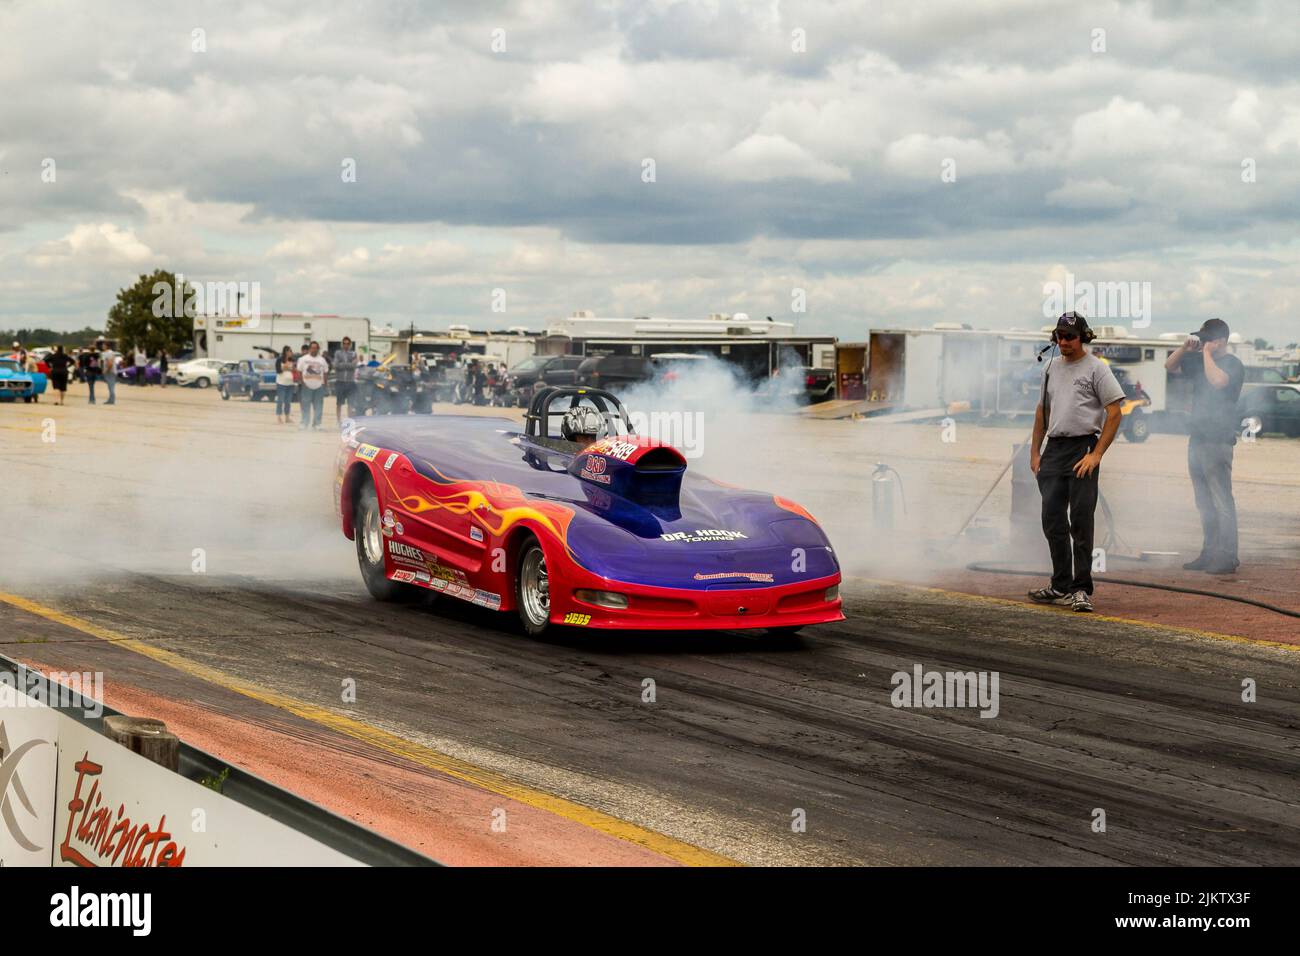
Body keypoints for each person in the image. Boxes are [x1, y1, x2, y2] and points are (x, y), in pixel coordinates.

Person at [1027, 312, 1125, 613]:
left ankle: (1081, 588)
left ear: (1083, 336)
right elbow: (1042, 412)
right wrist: (1035, 452)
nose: (1064, 341)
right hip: (1054, 449)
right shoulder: (1050, 369)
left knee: (1081, 520)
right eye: (1059, 336)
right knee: (1052, 520)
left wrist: (1096, 455)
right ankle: (1060, 584)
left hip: (1083, 447)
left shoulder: (1097, 369)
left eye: (1070, 336)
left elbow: (1115, 412)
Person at [1165, 318, 1245, 574]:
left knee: (1221, 501)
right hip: (1197, 439)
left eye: (1207, 338)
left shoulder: (1233, 364)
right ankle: (1208, 552)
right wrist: (1183, 349)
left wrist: (1207, 354)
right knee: (1204, 502)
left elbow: (1218, 382)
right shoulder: (1200, 360)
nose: (1203, 342)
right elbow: (1169, 366)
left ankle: (1227, 557)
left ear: (1221, 340)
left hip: (1217, 440)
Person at [296, 340, 329, 430]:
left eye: (315, 348)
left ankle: (317, 424)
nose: (314, 349)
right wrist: (302, 382)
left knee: (318, 406)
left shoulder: (322, 360)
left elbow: (325, 372)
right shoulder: (303, 359)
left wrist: (324, 384)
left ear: (318, 349)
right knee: (305, 406)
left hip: (319, 386)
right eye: (312, 348)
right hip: (306, 386)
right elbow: (299, 371)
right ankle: (304, 423)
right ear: (309, 349)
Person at [331, 336, 359, 423]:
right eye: (344, 343)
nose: (346, 345)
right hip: (340, 381)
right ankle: (339, 421)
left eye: (347, 343)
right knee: (339, 403)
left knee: (351, 403)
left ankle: (349, 421)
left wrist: (342, 364)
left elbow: (354, 366)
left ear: (350, 344)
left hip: (350, 382)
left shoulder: (353, 353)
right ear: (342, 344)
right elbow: (335, 365)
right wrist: (349, 364)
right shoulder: (338, 353)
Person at [274, 345, 296, 424]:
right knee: (280, 400)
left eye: (291, 351)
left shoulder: (292, 360)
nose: (291, 352)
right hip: (281, 383)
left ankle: (287, 417)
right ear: (286, 352)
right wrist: (286, 367)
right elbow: (278, 370)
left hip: (290, 383)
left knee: (288, 401)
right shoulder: (279, 360)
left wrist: (289, 368)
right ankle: (279, 417)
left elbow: (294, 369)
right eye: (290, 351)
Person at [100, 341, 119, 405]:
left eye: (103, 345)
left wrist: (106, 370)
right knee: (110, 386)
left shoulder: (109, 353)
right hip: (110, 371)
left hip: (110, 371)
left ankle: (111, 400)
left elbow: (110, 363)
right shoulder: (107, 353)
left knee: (111, 386)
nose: (102, 346)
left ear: (107, 346)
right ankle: (110, 399)